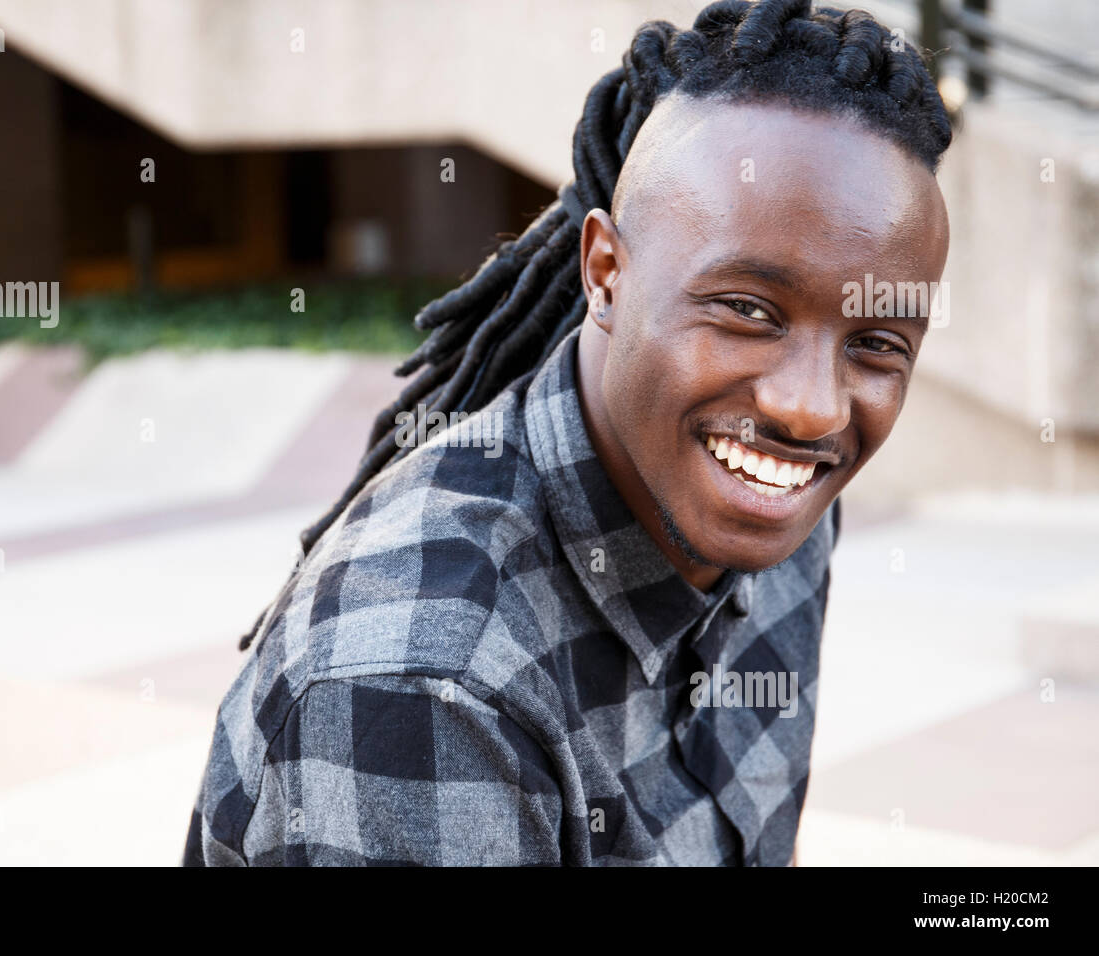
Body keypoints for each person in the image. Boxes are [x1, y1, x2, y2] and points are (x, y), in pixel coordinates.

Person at [183, 0, 951, 866]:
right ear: (606, 274)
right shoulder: (424, 679)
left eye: (876, 343)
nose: (812, 411)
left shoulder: (777, 516)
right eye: (746, 309)